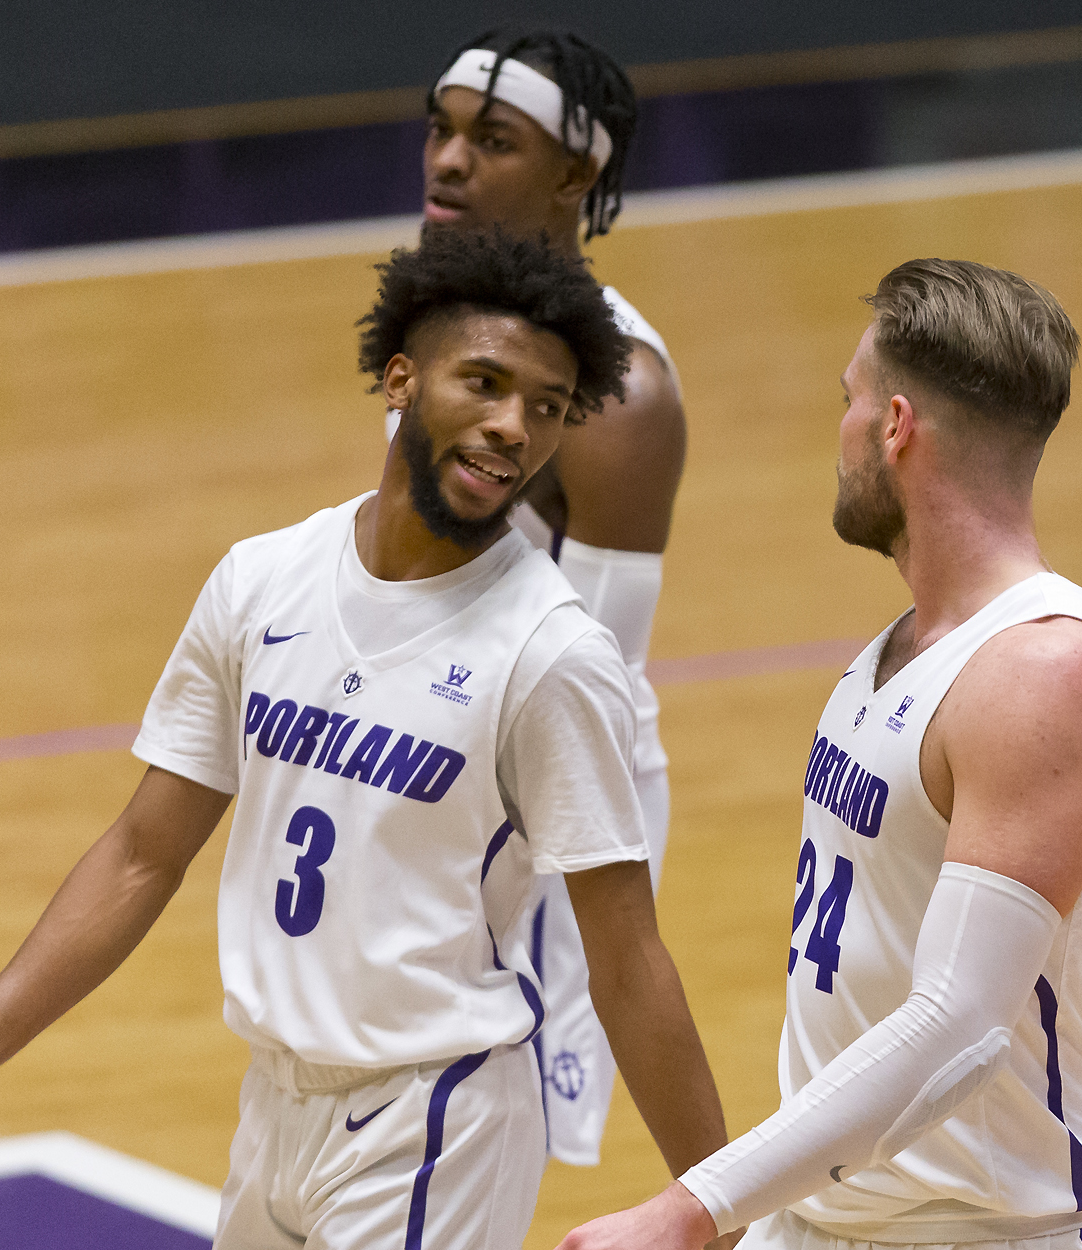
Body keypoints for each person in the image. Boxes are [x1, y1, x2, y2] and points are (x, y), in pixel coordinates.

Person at [0, 227, 730, 1250]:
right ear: (402, 378)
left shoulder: (549, 654)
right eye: (486, 382)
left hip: (436, 1116)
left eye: (545, 407)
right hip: (274, 1103)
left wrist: (708, 1204)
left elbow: (627, 957)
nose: (513, 426)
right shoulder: (261, 579)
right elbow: (143, 851)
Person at [555, 258, 1082, 1250]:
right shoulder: (896, 651)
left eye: (845, 401)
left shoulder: (1046, 673)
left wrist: (689, 1206)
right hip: (828, 1221)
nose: (833, 433)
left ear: (892, 425)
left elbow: (959, 1025)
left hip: (998, 1232)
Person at [409, 26, 688, 1165]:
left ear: (575, 176)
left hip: (543, 804)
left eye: (493, 139)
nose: (448, 160)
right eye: (441, 127)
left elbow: (591, 675)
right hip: (432, 751)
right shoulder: (445, 322)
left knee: (468, 1132)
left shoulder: (617, 393)